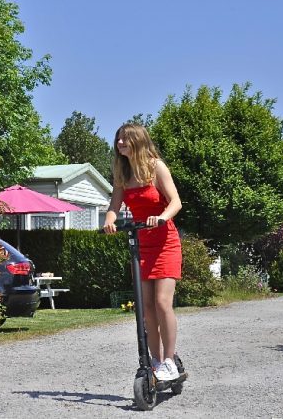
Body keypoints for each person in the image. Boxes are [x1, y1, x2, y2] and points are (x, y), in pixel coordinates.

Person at [101, 123, 183, 381]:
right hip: (141, 244)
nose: (120, 143)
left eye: (125, 139)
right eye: (118, 139)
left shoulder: (155, 166)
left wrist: (160, 217)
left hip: (165, 242)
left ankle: (170, 360)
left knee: (161, 302)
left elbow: (176, 202)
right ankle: (156, 361)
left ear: (138, 141)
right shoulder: (122, 173)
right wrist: (109, 220)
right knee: (145, 308)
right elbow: (114, 206)